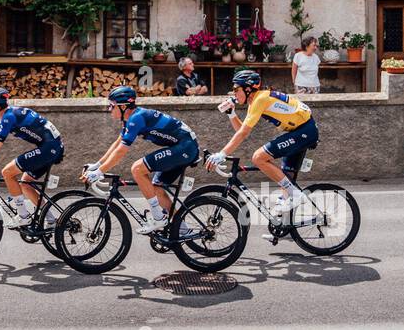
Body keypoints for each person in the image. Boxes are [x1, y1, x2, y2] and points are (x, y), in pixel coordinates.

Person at [84, 85, 200, 234]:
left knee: (137, 169)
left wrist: (99, 172)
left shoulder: (137, 118)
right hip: (182, 146)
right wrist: (97, 165)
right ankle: (182, 229)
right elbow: (118, 144)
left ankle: (158, 218)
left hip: (185, 147)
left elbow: (121, 151)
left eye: (111, 106)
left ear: (123, 106)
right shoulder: (130, 119)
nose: (109, 109)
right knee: (157, 188)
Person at [205, 70, 318, 222]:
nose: (234, 94)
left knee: (259, 158)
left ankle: (296, 195)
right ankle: (284, 227)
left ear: (248, 89)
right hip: (299, 131)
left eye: (236, 90)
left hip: (304, 131)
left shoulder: (260, 99)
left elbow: (243, 133)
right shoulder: (256, 100)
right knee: (284, 179)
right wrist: (232, 114)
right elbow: (242, 130)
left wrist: (221, 154)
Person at [0, 86, 64, 228]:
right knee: (25, 184)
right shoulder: (9, 114)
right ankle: (51, 220)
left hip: (49, 148)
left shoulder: (9, 117)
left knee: (7, 172)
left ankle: (23, 216)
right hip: (51, 147)